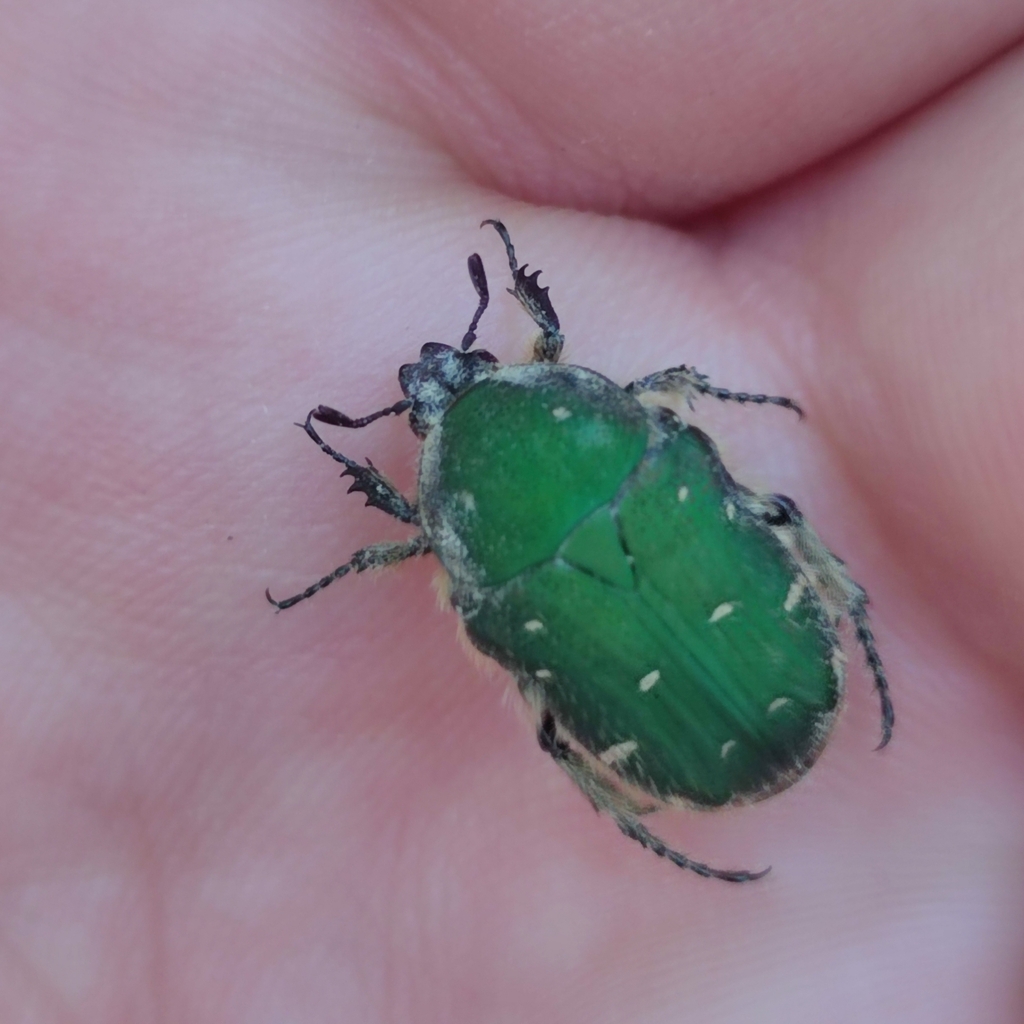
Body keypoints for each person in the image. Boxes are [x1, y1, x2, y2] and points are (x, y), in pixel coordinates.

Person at [2, 1, 1022, 1019]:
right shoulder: (601, 422)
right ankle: (732, 738)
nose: (433, 374)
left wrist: (362, 487)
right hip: (756, 673)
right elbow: (648, 383)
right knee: (767, 518)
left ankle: (644, 812)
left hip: (694, 722)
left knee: (564, 712)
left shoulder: (463, 518)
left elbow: (416, 533)